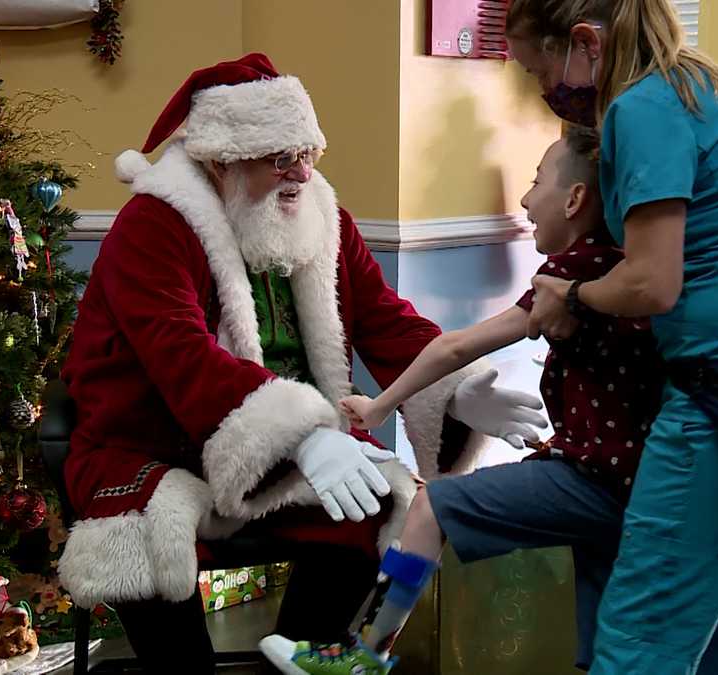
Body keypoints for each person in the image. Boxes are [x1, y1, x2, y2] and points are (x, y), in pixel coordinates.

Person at [56, 53, 545, 672]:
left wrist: (456, 388)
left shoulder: (321, 216)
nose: (300, 174)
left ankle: (298, 658)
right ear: (220, 159)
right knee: (147, 542)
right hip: (152, 443)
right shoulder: (153, 224)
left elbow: (383, 317)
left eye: (307, 152)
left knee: (376, 507)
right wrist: (304, 436)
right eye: (279, 158)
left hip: (291, 447)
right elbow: (181, 356)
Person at [504, 1, 718, 673]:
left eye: (538, 68)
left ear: (584, 42)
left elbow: (652, 283)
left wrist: (571, 294)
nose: (543, 92)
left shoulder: (641, 107)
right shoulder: (705, 84)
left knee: (637, 643)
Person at [258, 127, 665, 675]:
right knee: (604, 629)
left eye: (536, 181)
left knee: (432, 506)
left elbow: (454, 348)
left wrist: (381, 407)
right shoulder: (624, 267)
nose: (523, 199)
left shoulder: (571, 274)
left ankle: (366, 655)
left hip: (595, 475)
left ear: (574, 200)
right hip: (640, 477)